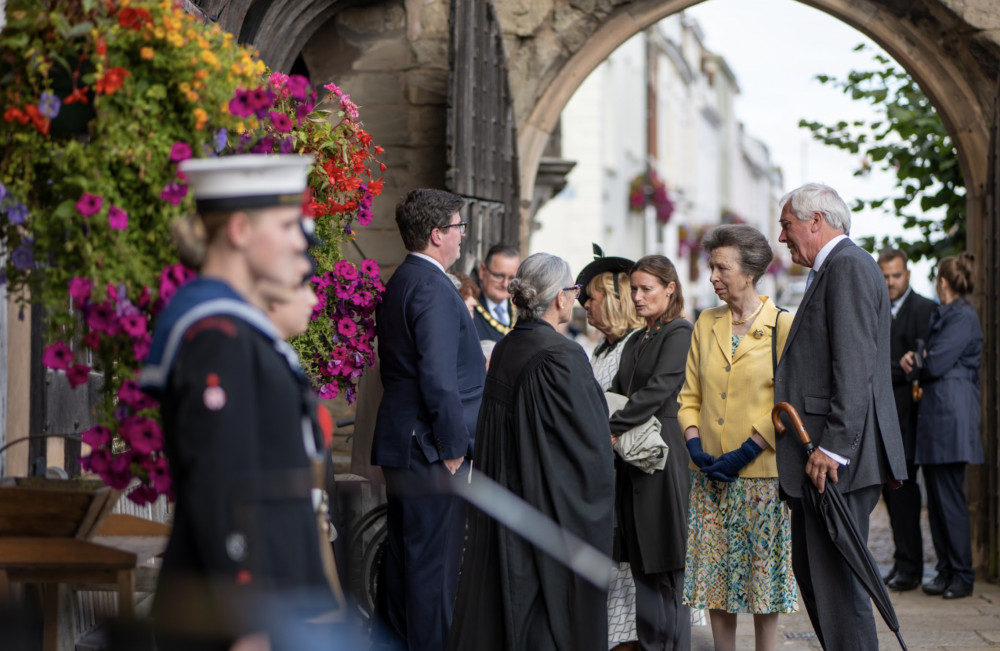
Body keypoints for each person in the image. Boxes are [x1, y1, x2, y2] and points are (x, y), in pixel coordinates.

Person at [139, 154, 340, 650]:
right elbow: (222, 484)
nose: (299, 240)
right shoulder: (216, 334)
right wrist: (245, 621)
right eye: (287, 225)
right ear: (240, 230)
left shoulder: (237, 330)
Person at [448, 253, 615, 650]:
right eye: (574, 290)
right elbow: (589, 447)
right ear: (559, 297)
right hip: (544, 515)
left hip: (507, 502)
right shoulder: (561, 355)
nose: (575, 297)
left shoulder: (507, 347)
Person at [773, 183, 906, 649]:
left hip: (835, 459)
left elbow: (854, 366)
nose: (782, 237)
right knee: (818, 576)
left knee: (838, 586)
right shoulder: (836, 267)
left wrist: (831, 447)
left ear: (816, 221)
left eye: (787, 225)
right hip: (826, 455)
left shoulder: (847, 266)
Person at [371, 188, 486, 651]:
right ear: (437, 234)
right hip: (429, 448)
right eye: (459, 227)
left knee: (405, 562)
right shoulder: (432, 286)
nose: (462, 236)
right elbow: (437, 376)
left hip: (408, 441)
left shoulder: (405, 278)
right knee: (431, 571)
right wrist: (453, 446)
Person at [677, 224, 798, 651]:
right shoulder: (706, 322)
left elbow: (788, 401)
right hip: (710, 475)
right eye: (711, 266)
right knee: (715, 583)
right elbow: (689, 396)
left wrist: (747, 450)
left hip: (761, 476)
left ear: (749, 272)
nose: (712, 276)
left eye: (721, 268)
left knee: (763, 584)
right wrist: (694, 444)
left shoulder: (782, 325)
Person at [608, 254, 693, 651]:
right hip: (632, 460)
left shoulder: (680, 332)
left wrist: (612, 427)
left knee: (668, 571)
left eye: (647, 289)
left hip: (662, 458)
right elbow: (619, 389)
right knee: (642, 568)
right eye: (634, 289)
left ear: (670, 289)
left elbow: (659, 390)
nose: (638, 297)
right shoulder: (637, 338)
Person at [902, 251, 983, 600]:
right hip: (938, 418)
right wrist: (920, 358)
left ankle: (962, 575)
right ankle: (947, 570)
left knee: (949, 500)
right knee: (936, 502)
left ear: (943, 281)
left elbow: (935, 364)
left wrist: (918, 360)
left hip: (951, 418)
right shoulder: (947, 314)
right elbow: (930, 360)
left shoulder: (962, 316)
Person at [575, 252, 643, 647]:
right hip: (602, 476)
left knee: (626, 580)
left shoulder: (634, 346)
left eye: (593, 297)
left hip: (626, 476)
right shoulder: (602, 347)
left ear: (616, 300)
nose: (585, 304)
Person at [877, 247, 937, 591]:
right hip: (884, 420)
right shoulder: (876, 309)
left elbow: (925, 364)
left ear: (908, 275)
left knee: (906, 494)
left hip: (912, 419)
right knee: (891, 494)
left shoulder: (926, 309)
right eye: (885, 276)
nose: (890, 282)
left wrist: (900, 367)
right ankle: (903, 562)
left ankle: (911, 567)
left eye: (896, 275)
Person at [472, 243, 520, 341]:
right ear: (482, 271)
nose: (505, 284)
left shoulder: (522, 309)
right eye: (499, 276)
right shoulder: (468, 306)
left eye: (511, 278)